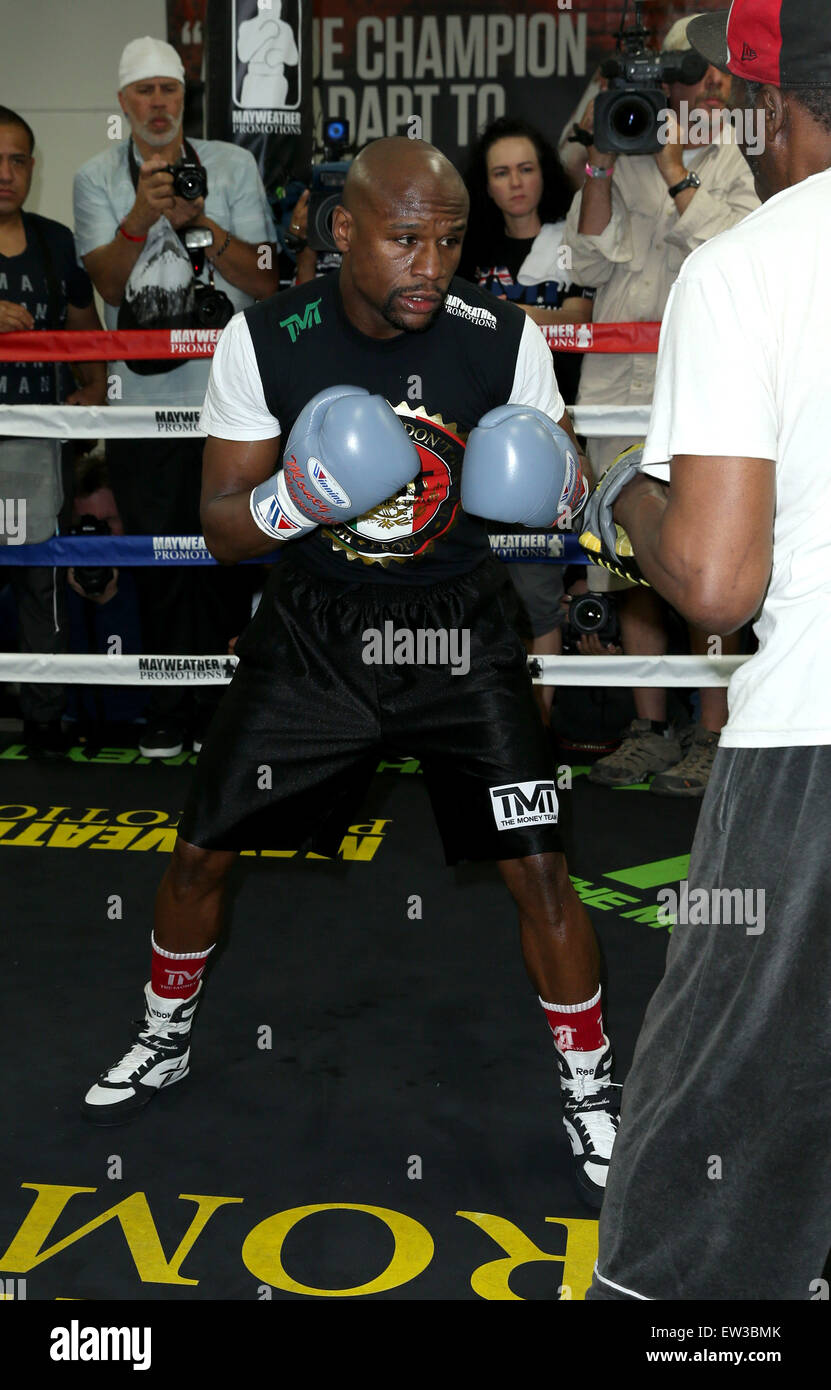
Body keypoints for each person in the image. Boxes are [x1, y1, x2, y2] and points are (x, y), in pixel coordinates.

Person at [81, 136, 626, 1213]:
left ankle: (589, 1081)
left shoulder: (500, 337)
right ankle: (163, 1034)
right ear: (345, 232)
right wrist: (300, 499)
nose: (431, 263)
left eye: (451, 240)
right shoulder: (268, 339)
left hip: (457, 634)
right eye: (406, 237)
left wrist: (562, 492)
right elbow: (227, 529)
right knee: (199, 852)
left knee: (540, 869)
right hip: (315, 634)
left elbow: (571, 482)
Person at [580, 0, 831, 1299]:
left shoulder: (749, 263)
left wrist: (614, 489)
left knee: (705, 1161)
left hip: (809, 743)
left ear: (776, 113)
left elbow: (713, 581)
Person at [563, 14, 760, 796]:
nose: (697, 89)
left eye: (709, 77)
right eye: (680, 78)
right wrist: (601, 165)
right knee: (625, 562)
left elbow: (733, 258)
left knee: (698, 559)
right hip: (615, 384)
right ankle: (648, 727)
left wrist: (677, 170)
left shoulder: (749, 160)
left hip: (699, 383)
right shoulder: (624, 133)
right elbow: (583, 261)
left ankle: (713, 734)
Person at [73, 36, 281, 760]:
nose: (157, 104)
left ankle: (226, 708)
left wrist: (204, 224)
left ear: (183, 97)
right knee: (160, 558)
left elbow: (263, 279)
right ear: (123, 103)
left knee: (228, 555)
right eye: (143, 93)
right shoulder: (95, 176)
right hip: (141, 403)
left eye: (168, 90)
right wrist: (141, 214)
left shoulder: (232, 165)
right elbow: (105, 282)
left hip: (231, 397)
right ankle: (167, 710)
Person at [459, 117, 596, 728]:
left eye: (526, 168)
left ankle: (535, 734)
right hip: (475, 433)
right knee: (476, 588)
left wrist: (500, 314)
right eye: (500, 173)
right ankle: (480, 724)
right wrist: (525, 314)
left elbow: (578, 313)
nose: (515, 184)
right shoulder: (466, 249)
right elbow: (458, 322)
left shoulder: (572, 240)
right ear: (484, 185)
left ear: (545, 172)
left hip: (552, 428)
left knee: (541, 591)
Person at [0, 106, 107, 758]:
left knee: (42, 584)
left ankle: (44, 722)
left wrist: (92, 388)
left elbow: (84, 324)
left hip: (35, 441)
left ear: (32, 169)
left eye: (16, 160)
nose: (5, 173)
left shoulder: (53, 241)